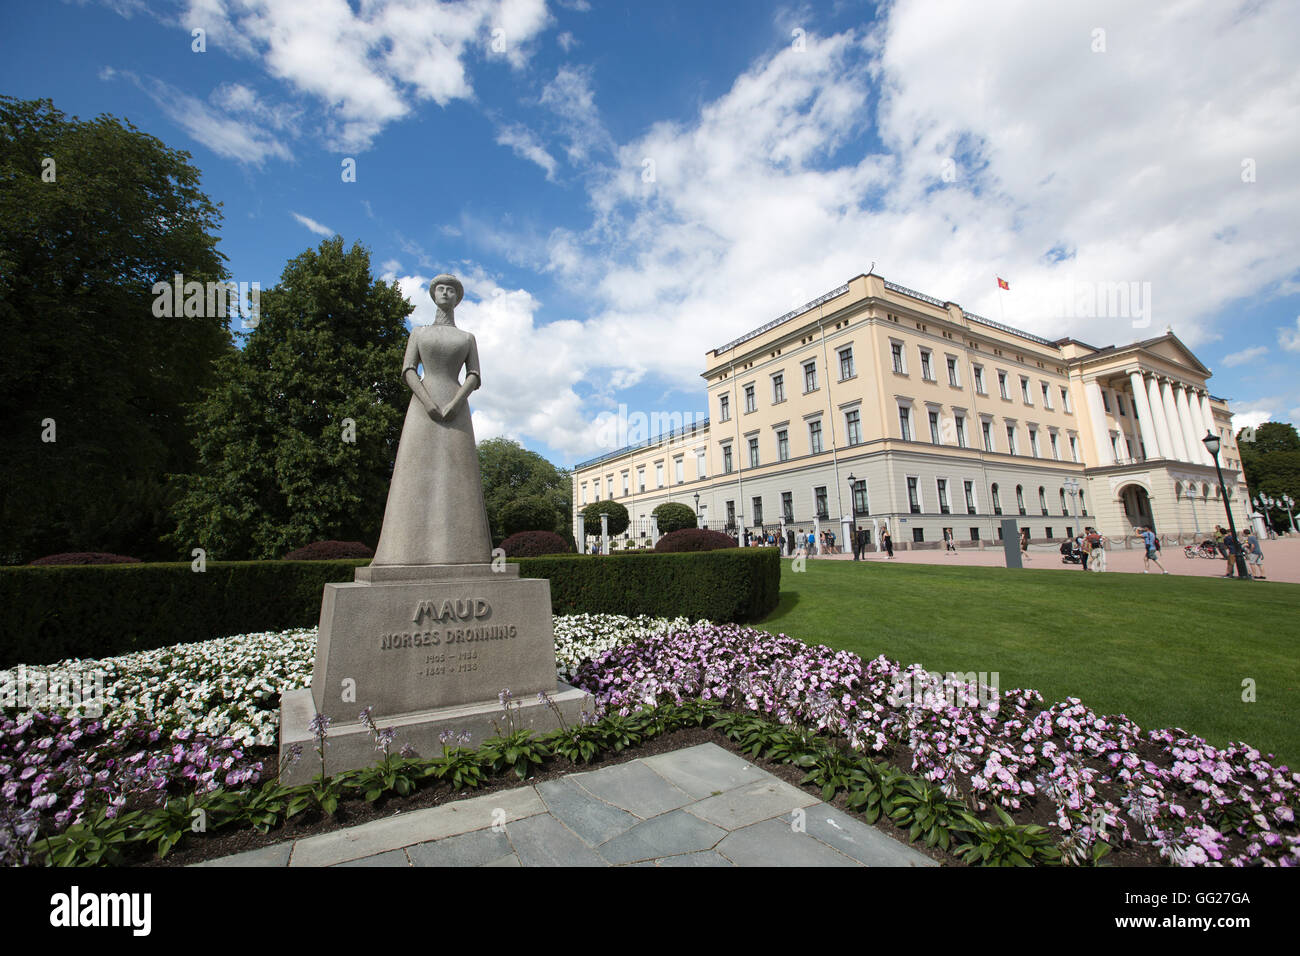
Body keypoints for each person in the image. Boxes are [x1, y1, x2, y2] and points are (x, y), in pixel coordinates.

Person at [372, 274, 492, 566]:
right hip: (422, 406)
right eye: (441, 288)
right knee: (413, 473)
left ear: (457, 298)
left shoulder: (466, 338)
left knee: (459, 475)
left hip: (456, 408)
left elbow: (474, 375)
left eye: (452, 290)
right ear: (433, 294)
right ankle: (400, 552)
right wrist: (427, 401)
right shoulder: (419, 333)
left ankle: (468, 553)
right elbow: (408, 370)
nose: (446, 293)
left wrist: (455, 401)